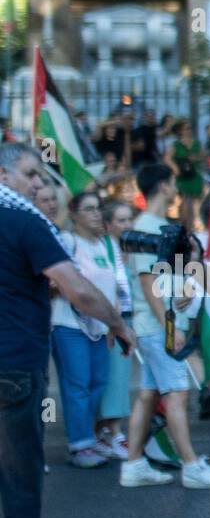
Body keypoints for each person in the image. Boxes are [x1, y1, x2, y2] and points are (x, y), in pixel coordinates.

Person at [0, 143, 136, 518]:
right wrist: (119, 325)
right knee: (18, 484)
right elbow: (78, 289)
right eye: (32, 174)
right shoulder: (25, 222)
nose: (40, 184)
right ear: (4, 173)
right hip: (13, 369)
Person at [119, 163, 210, 490]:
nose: (176, 188)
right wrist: (171, 327)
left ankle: (133, 465)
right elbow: (147, 282)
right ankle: (191, 466)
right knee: (178, 394)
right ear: (163, 187)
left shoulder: (160, 226)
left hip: (156, 325)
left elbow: (165, 278)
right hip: (158, 327)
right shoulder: (147, 227)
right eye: (172, 183)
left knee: (148, 394)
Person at [51, 190, 116, 468]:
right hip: (69, 324)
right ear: (74, 214)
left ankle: (88, 437)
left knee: (98, 382)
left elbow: (113, 287)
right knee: (77, 384)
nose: (95, 213)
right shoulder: (67, 241)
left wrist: (115, 322)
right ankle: (79, 444)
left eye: (98, 208)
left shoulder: (105, 245)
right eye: (88, 208)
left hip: (100, 327)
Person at [96, 199, 136, 459]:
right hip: (110, 322)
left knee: (120, 379)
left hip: (128, 319)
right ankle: (111, 431)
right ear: (108, 224)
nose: (127, 224)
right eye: (120, 220)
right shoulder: (104, 247)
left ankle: (108, 430)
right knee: (110, 378)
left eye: (128, 218)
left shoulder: (131, 247)